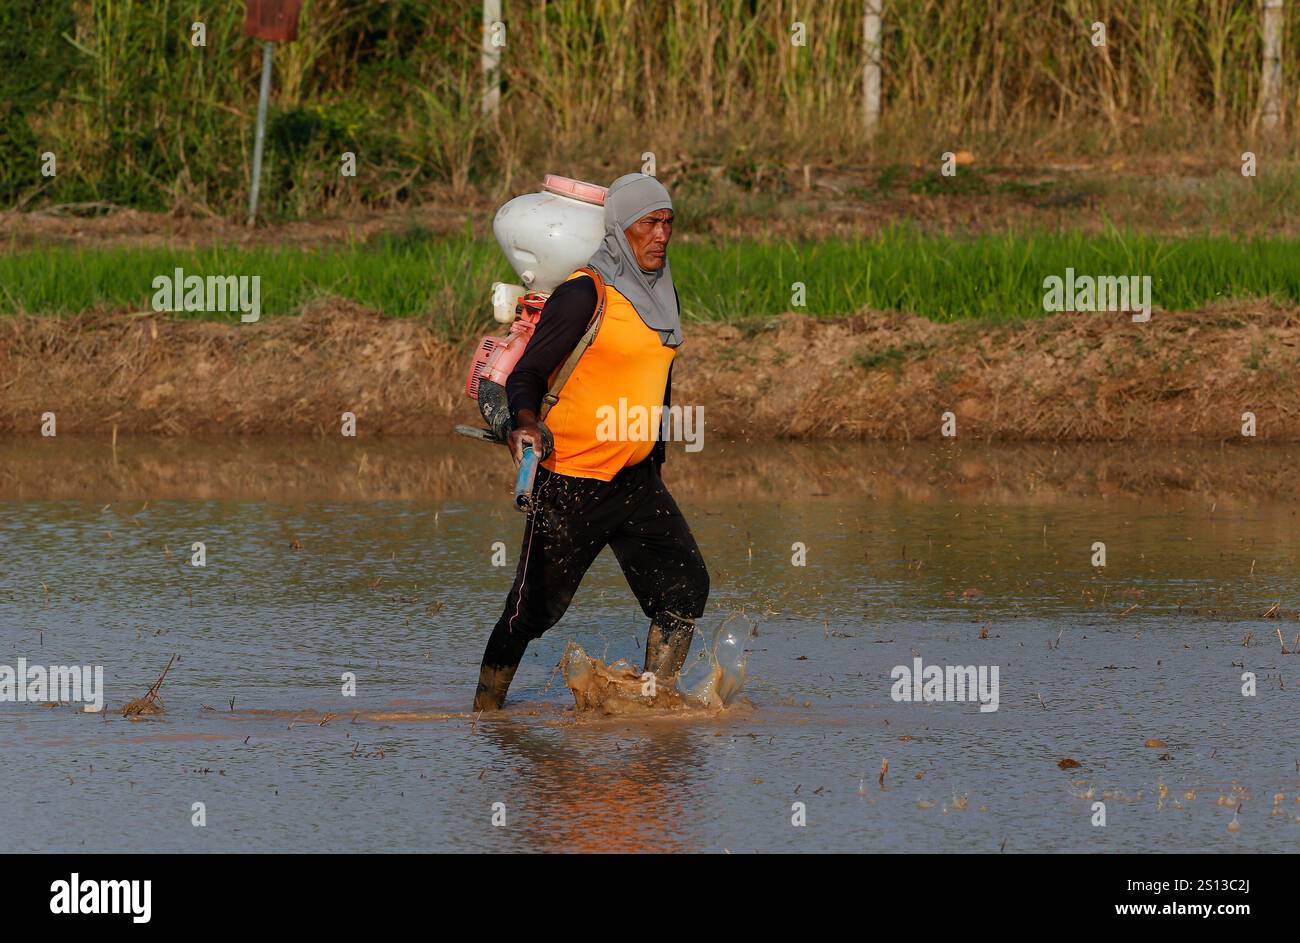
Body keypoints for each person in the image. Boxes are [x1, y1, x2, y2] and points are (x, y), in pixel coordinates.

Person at [472, 173, 709, 711]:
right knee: (530, 613)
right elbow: (528, 373)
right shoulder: (585, 291)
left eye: (668, 223)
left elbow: (657, 388)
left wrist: (657, 455)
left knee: (684, 590)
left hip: (636, 481)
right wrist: (525, 422)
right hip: (571, 482)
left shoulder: (660, 294)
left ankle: (655, 706)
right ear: (619, 229)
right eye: (648, 224)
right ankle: (486, 716)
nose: (661, 235)